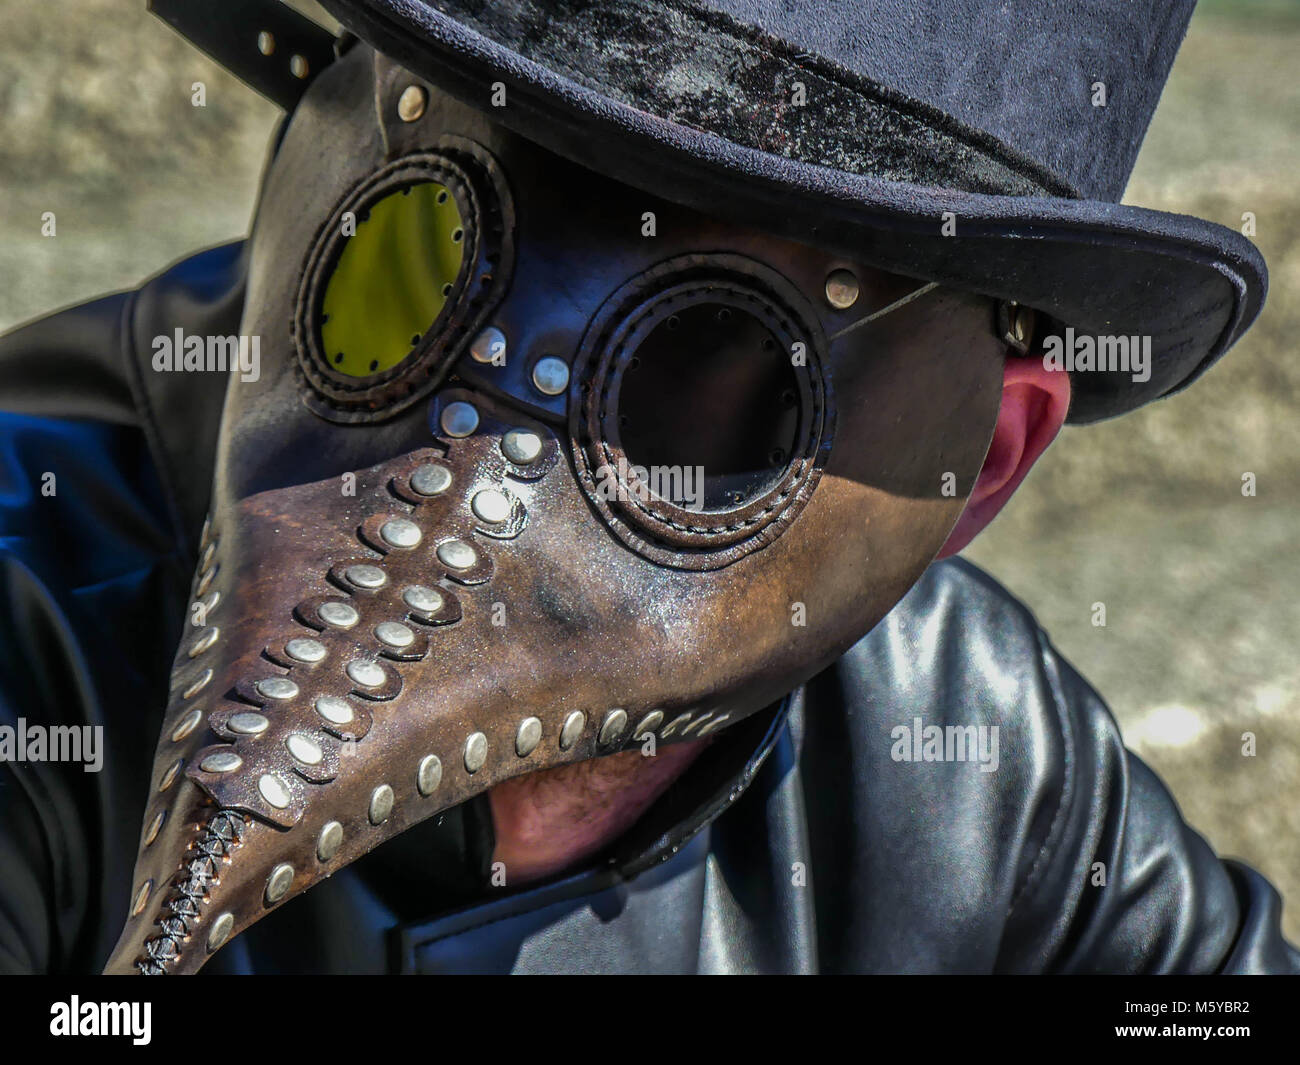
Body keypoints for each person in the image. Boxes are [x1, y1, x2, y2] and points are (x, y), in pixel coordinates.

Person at [0, 0, 1295, 974]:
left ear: (988, 459)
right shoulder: (43, 618)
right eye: (424, 247)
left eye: (711, 363)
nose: (482, 463)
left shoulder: (966, 771)